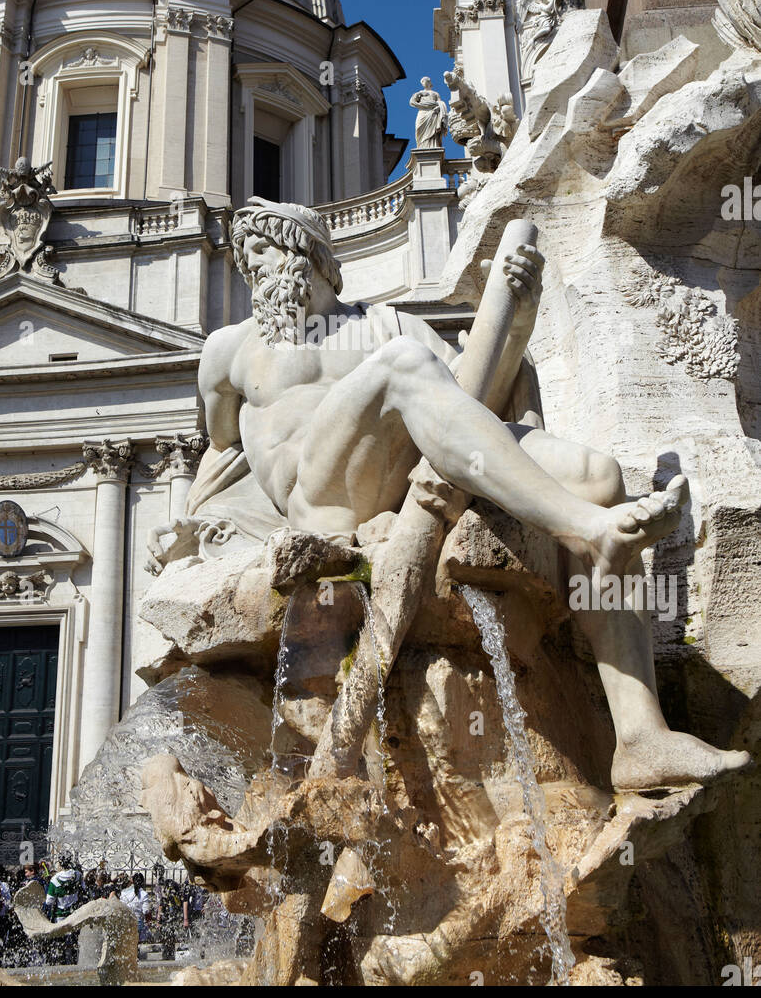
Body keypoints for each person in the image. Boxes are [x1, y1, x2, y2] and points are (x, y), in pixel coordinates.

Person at [150, 196, 750, 793]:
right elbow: (222, 455)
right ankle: (588, 527)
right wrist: (190, 533)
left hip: (413, 470)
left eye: (263, 250)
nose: (251, 268)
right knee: (405, 366)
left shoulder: (386, 323)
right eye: (245, 258)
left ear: (308, 255)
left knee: (599, 474)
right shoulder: (229, 350)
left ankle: (640, 734)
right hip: (324, 499)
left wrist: (516, 324)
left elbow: (471, 398)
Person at [120, 872, 151, 942]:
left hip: (125, 922)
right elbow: (146, 911)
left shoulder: (123, 892)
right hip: (137, 924)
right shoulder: (144, 894)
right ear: (143, 882)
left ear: (132, 881)